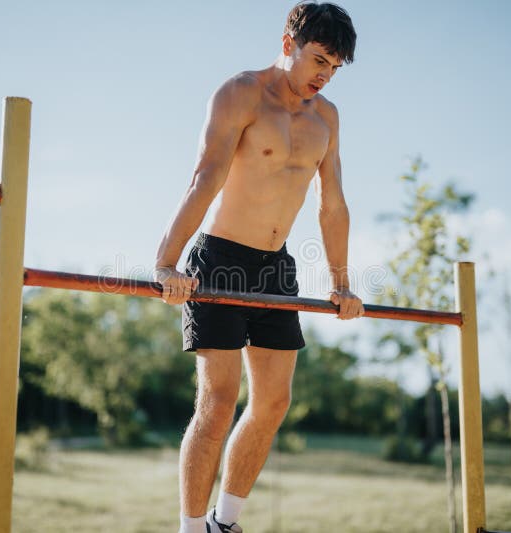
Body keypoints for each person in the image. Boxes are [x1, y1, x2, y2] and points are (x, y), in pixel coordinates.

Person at [153, 3, 361, 532]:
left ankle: (225, 523)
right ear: (289, 43)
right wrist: (166, 262)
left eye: (334, 68)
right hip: (219, 259)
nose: (324, 75)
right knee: (219, 402)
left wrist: (341, 285)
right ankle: (191, 529)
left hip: (275, 269)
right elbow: (206, 177)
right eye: (318, 59)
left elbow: (331, 204)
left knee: (273, 401)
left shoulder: (326, 117)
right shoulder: (240, 92)